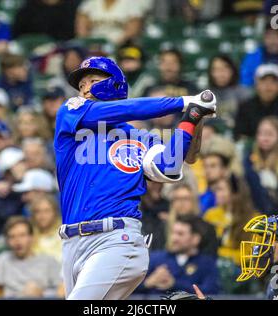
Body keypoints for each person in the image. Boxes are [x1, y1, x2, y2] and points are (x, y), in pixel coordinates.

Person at [55, 55, 217, 299]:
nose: (85, 88)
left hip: (117, 239)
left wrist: (192, 118)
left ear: (116, 84)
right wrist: (183, 102)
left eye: (92, 80)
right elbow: (126, 109)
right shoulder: (72, 112)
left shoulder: (139, 137)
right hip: (71, 242)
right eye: (81, 85)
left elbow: (169, 167)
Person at [137, 215, 219, 295]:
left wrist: (174, 284)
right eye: (173, 233)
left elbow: (211, 293)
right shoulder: (155, 258)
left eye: (180, 234)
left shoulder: (207, 263)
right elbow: (128, 287)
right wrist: (148, 283)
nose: (174, 238)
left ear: (195, 239)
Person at [0, 216, 63, 298]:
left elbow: (62, 290)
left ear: (32, 238)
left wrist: (42, 294)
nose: (17, 241)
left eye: (22, 235)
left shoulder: (48, 261)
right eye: (12, 237)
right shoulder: (3, 259)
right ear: (7, 241)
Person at [234, 64, 278, 143]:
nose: (268, 86)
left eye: (273, 81)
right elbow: (240, 135)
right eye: (264, 81)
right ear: (256, 84)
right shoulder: (245, 106)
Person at [204, 175, 257, 265]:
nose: (216, 193)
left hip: (239, 270)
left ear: (235, 193)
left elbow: (249, 255)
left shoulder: (254, 220)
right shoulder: (210, 215)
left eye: (220, 189)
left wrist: (221, 254)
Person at [167, 183, 218, 257]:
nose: (181, 203)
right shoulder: (164, 225)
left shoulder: (206, 228)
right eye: (177, 199)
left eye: (186, 199)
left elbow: (209, 258)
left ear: (194, 202)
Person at [208, 55, 250, 129]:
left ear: (232, 71)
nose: (220, 74)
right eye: (216, 70)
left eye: (224, 69)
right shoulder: (205, 95)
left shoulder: (243, 93)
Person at [75, 0, 145, 44]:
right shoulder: (90, 2)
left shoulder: (130, 3)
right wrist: (88, 42)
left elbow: (133, 29)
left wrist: (115, 43)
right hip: (94, 44)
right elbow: (81, 28)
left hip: (119, 45)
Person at [12, 0, 79, 41]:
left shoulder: (71, 6)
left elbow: (74, 33)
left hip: (61, 49)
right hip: (31, 49)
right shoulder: (28, 7)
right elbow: (17, 33)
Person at [29, 195, 62, 262]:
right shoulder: (29, 236)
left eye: (47, 211)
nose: (42, 216)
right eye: (38, 212)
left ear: (54, 213)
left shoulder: (64, 234)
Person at [140, 180, 170, 251]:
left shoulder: (167, 205)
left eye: (160, 183)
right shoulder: (138, 206)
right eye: (154, 184)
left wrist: (171, 220)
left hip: (162, 249)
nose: (157, 186)